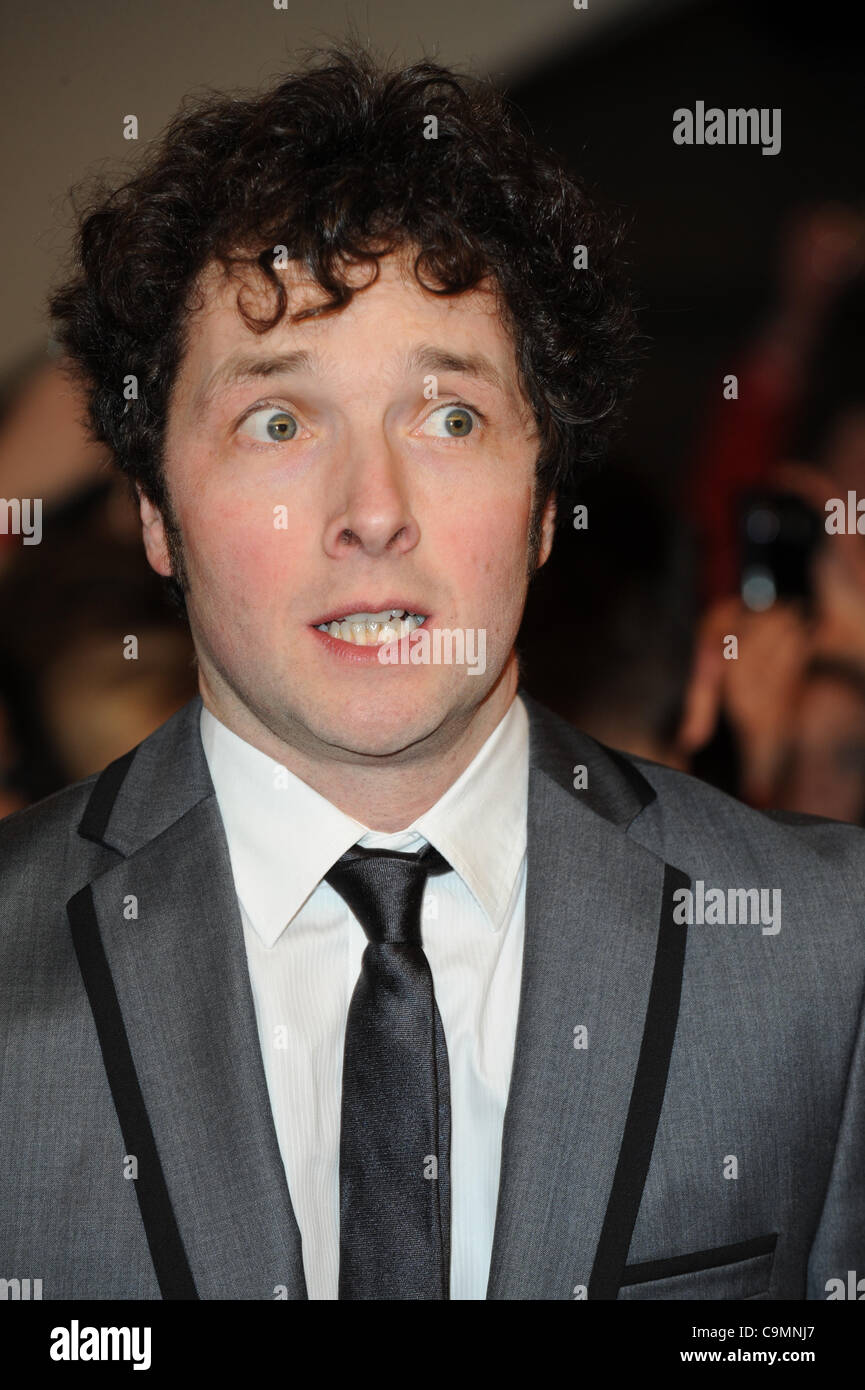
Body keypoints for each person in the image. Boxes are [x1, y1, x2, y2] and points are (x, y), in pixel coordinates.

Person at [1, 46, 863, 1303]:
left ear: (542, 499)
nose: (371, 511)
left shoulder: (823, 952)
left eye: (448, 416)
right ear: (152, 511)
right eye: (279, 422)